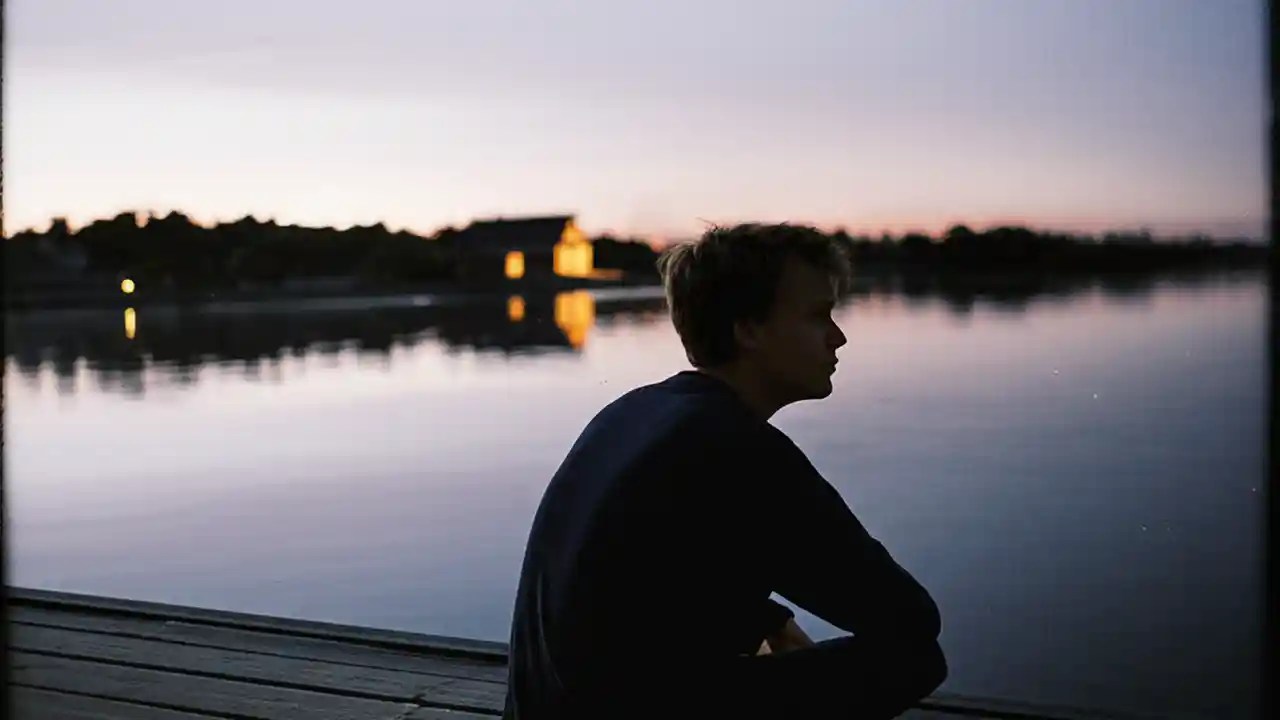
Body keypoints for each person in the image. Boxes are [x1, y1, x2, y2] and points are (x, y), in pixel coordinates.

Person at [503, 223, 947, 719]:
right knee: (914, 658)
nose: (838, 337)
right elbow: (908, 614)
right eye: (818, 315)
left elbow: (661, 564)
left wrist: (770, 620)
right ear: (748, 329)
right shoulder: (739, 449)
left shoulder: (633, 412)